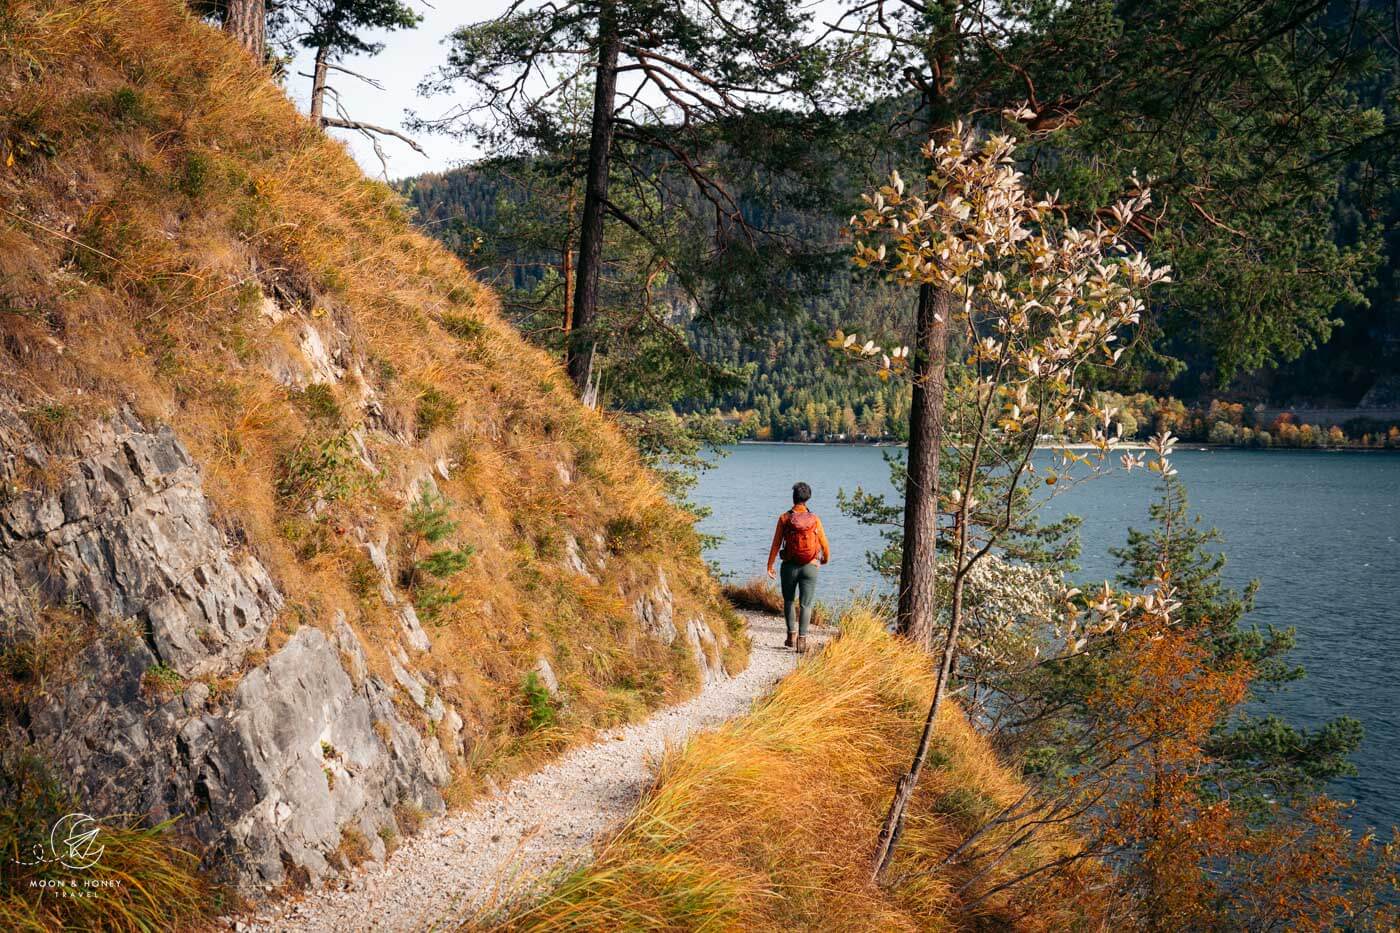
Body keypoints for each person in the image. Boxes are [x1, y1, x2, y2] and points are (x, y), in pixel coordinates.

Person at [766, 481, 830, 652]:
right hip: (810, 566)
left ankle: (790, 636)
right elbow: (824, 543)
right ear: (808, 498)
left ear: (793, 497)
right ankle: (802, 639)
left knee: (788, 601)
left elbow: (776, 544)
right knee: (806, 604)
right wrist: (824, 559)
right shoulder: (815, 519)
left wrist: (770, 565)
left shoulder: (785, 518)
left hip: (789, 567)